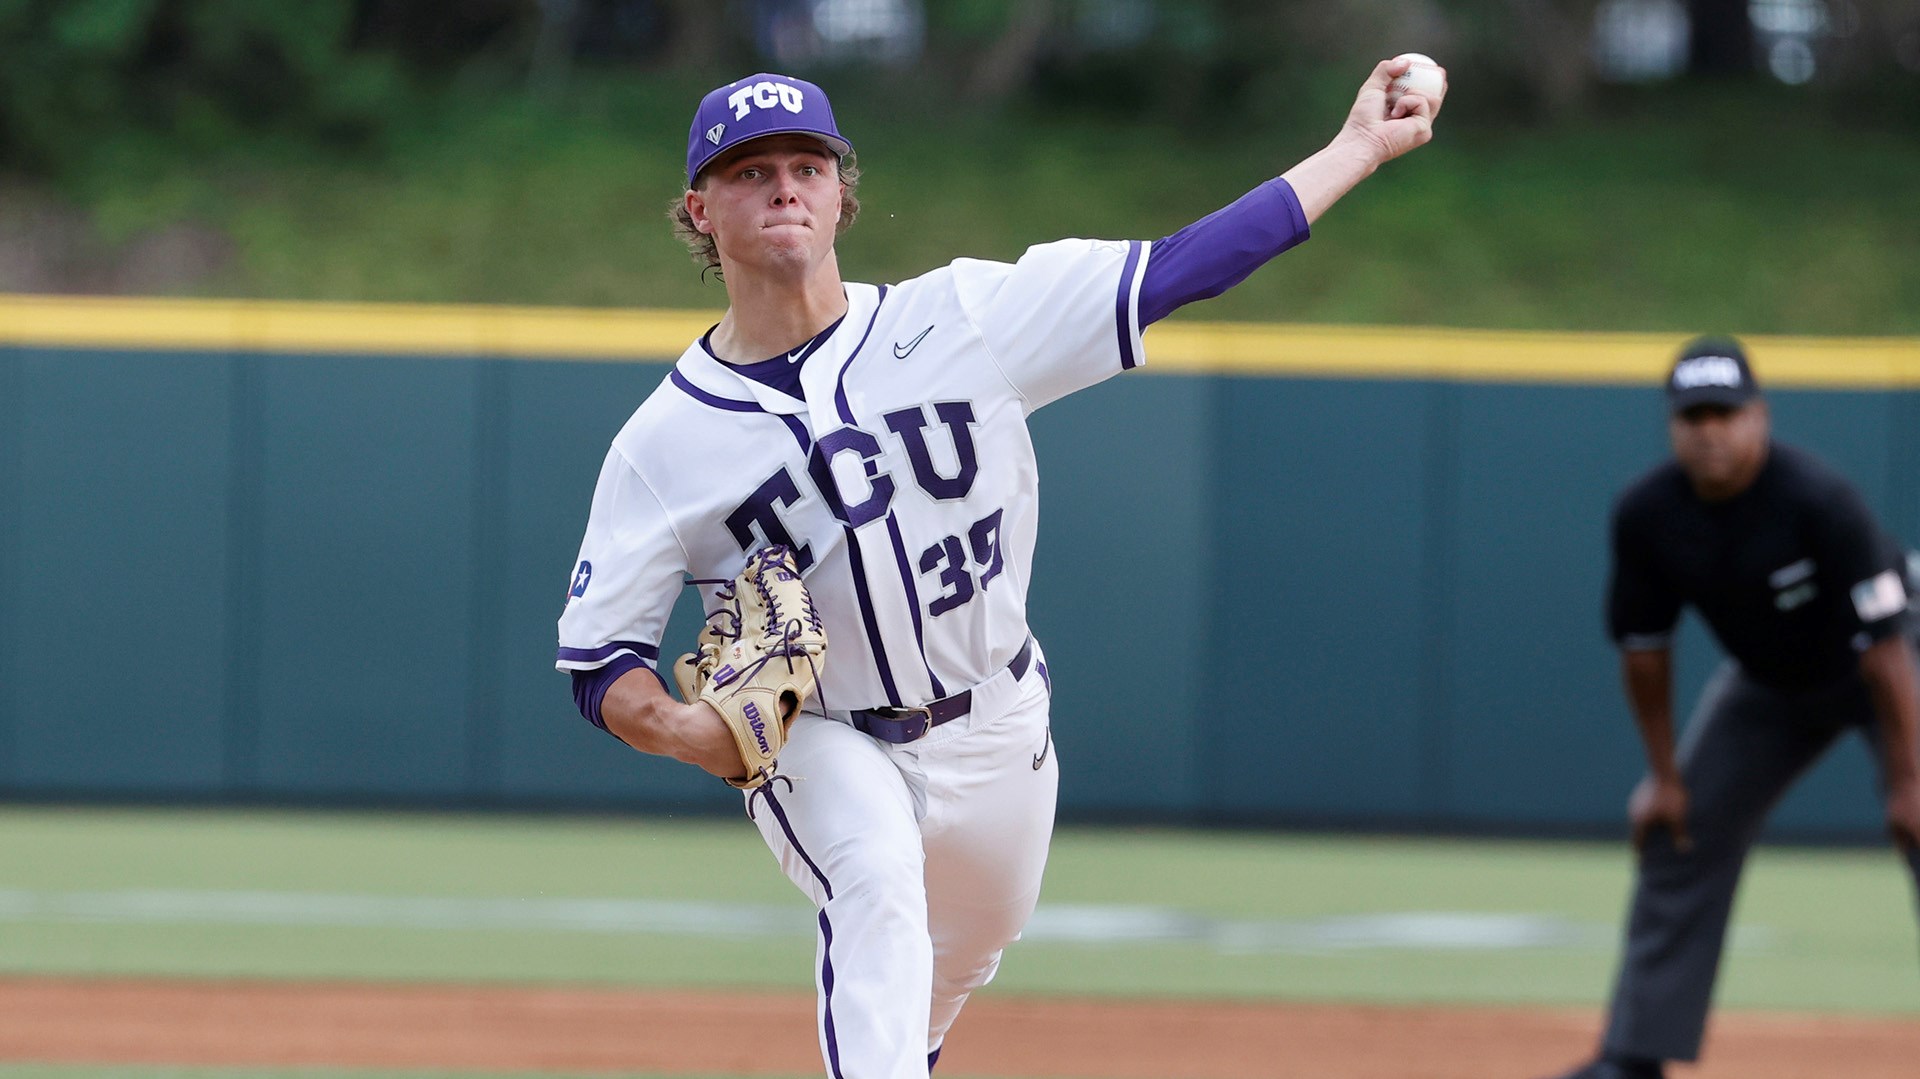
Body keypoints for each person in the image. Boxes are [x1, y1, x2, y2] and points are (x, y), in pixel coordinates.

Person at [556, 61, 1444, 1078]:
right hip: (823, 734)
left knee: (962, 957)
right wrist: (686, 731)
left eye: (807, 166)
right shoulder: (662, 443)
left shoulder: (963, 316)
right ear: (699, 211)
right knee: (876, 888)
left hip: (999, 714)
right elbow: (599, 659)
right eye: (750, 172)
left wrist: (1356, 149)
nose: (784, 189)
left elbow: (1181, 267)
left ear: (844, 193)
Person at [1542, 336, 1920, 1079]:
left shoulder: (1818, 498)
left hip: (1892, 664)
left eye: (1725, 412)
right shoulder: (1649, 513)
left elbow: (1885, 648)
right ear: (1672, 425)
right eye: (1694, 416)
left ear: (1760, 416)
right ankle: (1634, 1056)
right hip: (1770, 684)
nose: (1710, 430)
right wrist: (1664, 778)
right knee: (1679, 831)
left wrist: (1910, 782)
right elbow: (1645, 651)